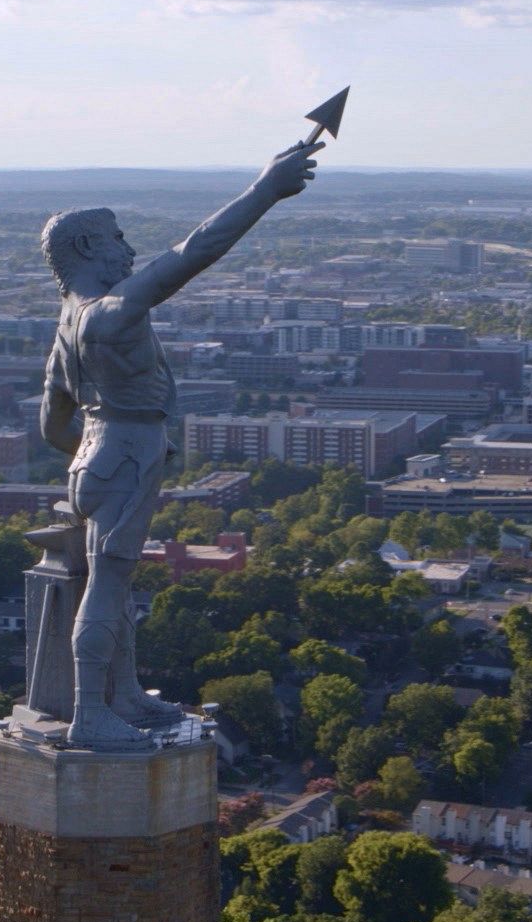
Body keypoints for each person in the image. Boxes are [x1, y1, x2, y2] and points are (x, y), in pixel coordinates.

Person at [38, 140, 324, 745]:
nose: (129, 249)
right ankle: (91, 714)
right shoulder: (109, 312)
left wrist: (94, 456)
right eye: (118, 238)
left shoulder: (66, 326)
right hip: (125, 455)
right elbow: (194, 251)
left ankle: (124, 695)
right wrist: (266, 189)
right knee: (108, 584)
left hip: (96, 456)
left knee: (115, 580)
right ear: (87, 247)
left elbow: (52, 426)